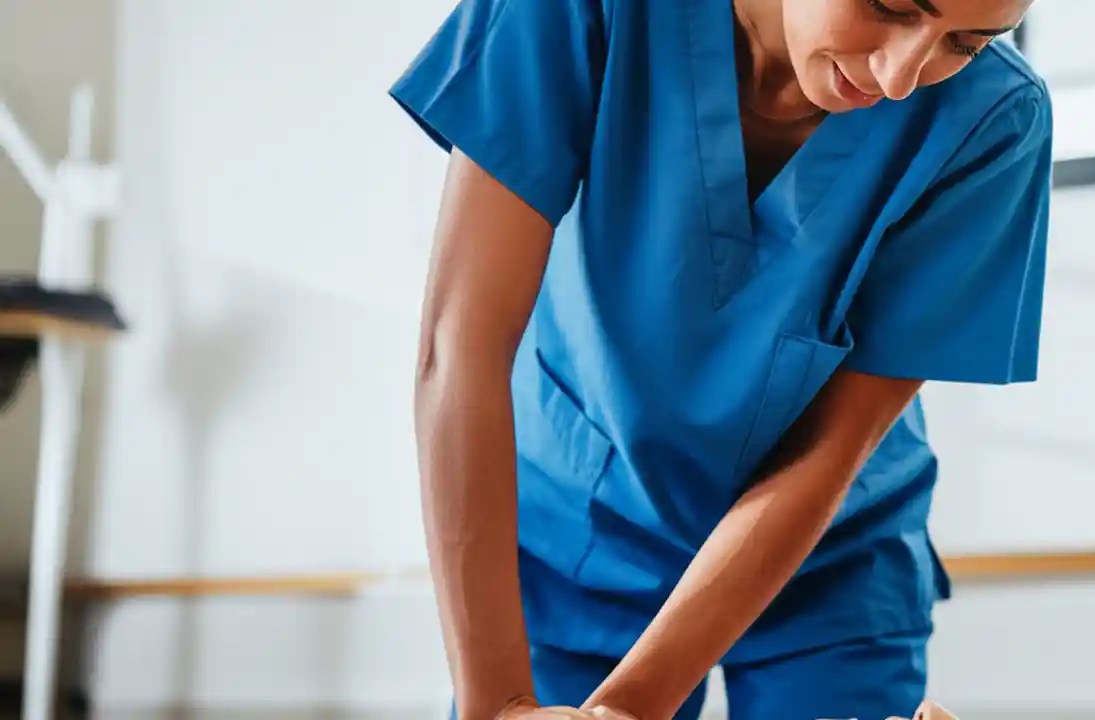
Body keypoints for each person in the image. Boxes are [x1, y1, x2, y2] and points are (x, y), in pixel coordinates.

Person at [390, 0, 1050, 717]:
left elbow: (830, 451)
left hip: (827, 560)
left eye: (967, 42)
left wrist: (632, 707)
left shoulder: (993, 118)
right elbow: (464, 349)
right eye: (889, 6)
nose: (902, 75)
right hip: (577, 537)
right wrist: (499, 704)